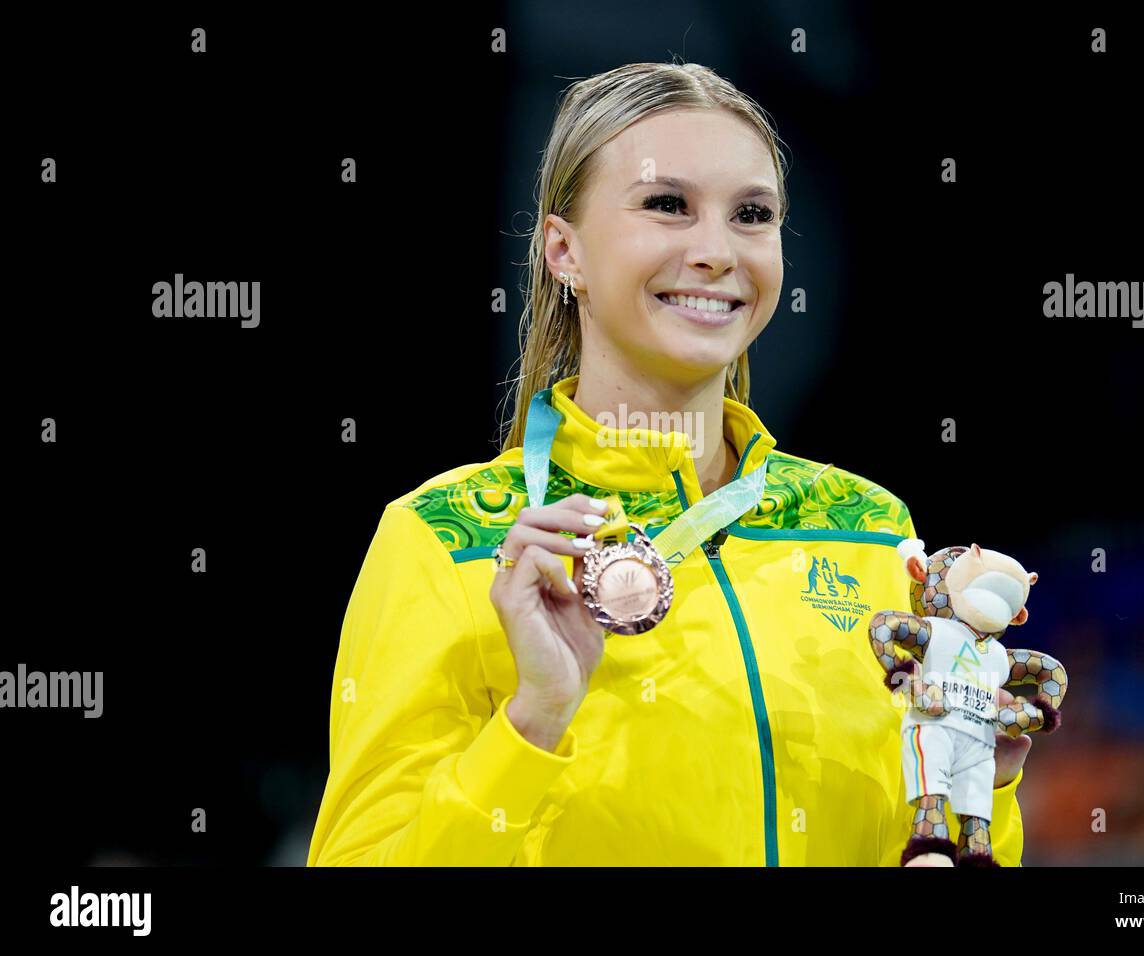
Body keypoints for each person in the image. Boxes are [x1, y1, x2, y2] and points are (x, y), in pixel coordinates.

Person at [306, 61, 1029, 867]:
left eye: (752, 214)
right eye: (666, 205)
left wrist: (983, 792)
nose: (717, 251)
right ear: (563, 250)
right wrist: (533, 721)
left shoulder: (869, 530)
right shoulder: (447, 542)